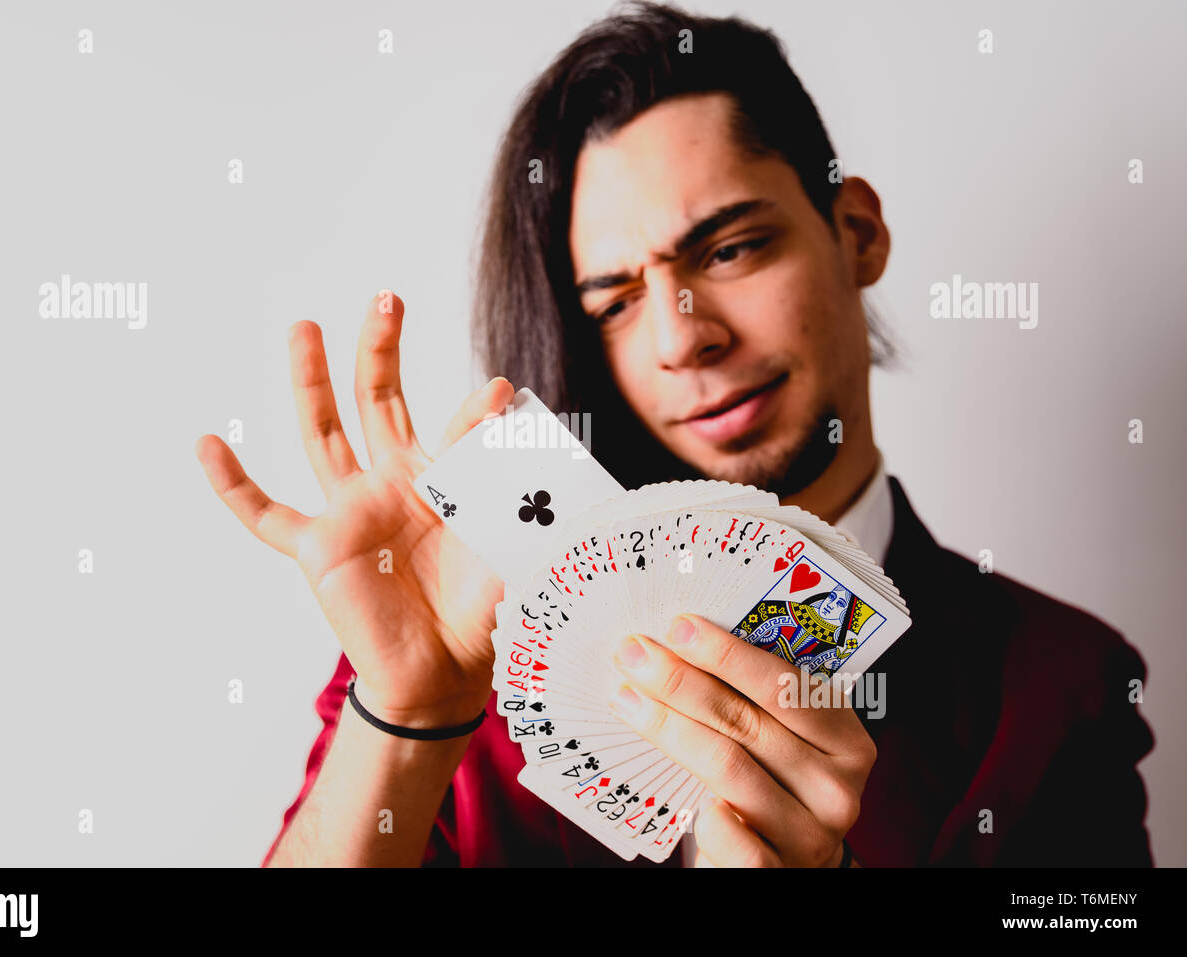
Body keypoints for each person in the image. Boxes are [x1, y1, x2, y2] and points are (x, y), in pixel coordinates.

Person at [195, 2, 1153, 867]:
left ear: (857, 230)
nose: (682, 338)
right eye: (615, 301)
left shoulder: (1065, 687)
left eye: (729, 249)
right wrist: (405, 717)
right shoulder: (465, 641)